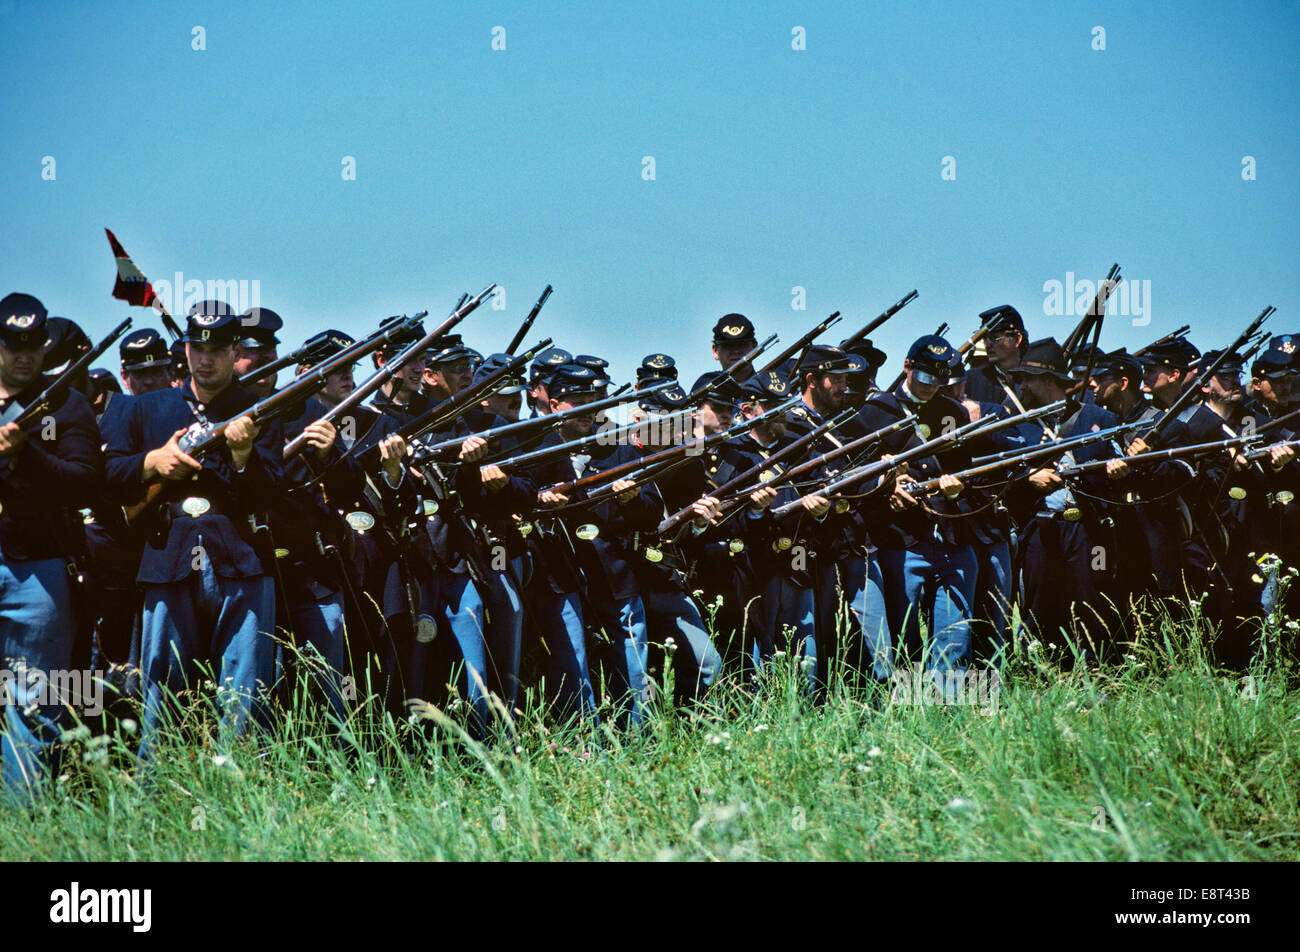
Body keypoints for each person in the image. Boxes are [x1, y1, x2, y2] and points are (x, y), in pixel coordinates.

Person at [103, 300, 288, 763]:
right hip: (166, 556)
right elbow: (106, 474)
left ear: (233, 352)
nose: (205, 359)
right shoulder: (144, 408)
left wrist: (243, 456)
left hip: (240, 559)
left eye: (217, 350)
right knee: (163, 685)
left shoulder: (259, 409)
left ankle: (241, 788)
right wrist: (153, 462)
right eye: (197, 347)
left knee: (245, 687)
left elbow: (272, 493)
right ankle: (159, 787)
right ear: (185, 349)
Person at [0, 293, 101, 801]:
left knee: (34, 704)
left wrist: (26, 453)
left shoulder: (66, 403)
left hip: (37, 566)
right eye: (11, 344)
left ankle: (26, 827)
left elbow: (85, 483)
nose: (23, 355)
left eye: (32, 345)